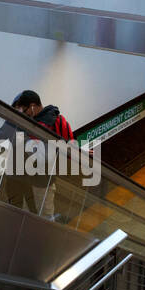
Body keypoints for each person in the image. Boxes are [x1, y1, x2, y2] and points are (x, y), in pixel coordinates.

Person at [9, 90, 87, 223]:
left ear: (33, 106)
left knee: (45, 213)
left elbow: (45, 154)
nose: (23, 114)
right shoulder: (51, 117)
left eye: (24, 110)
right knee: (36, 210)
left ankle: (47, 236)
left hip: (42, 178)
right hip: (36, 175)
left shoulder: (43, 126)